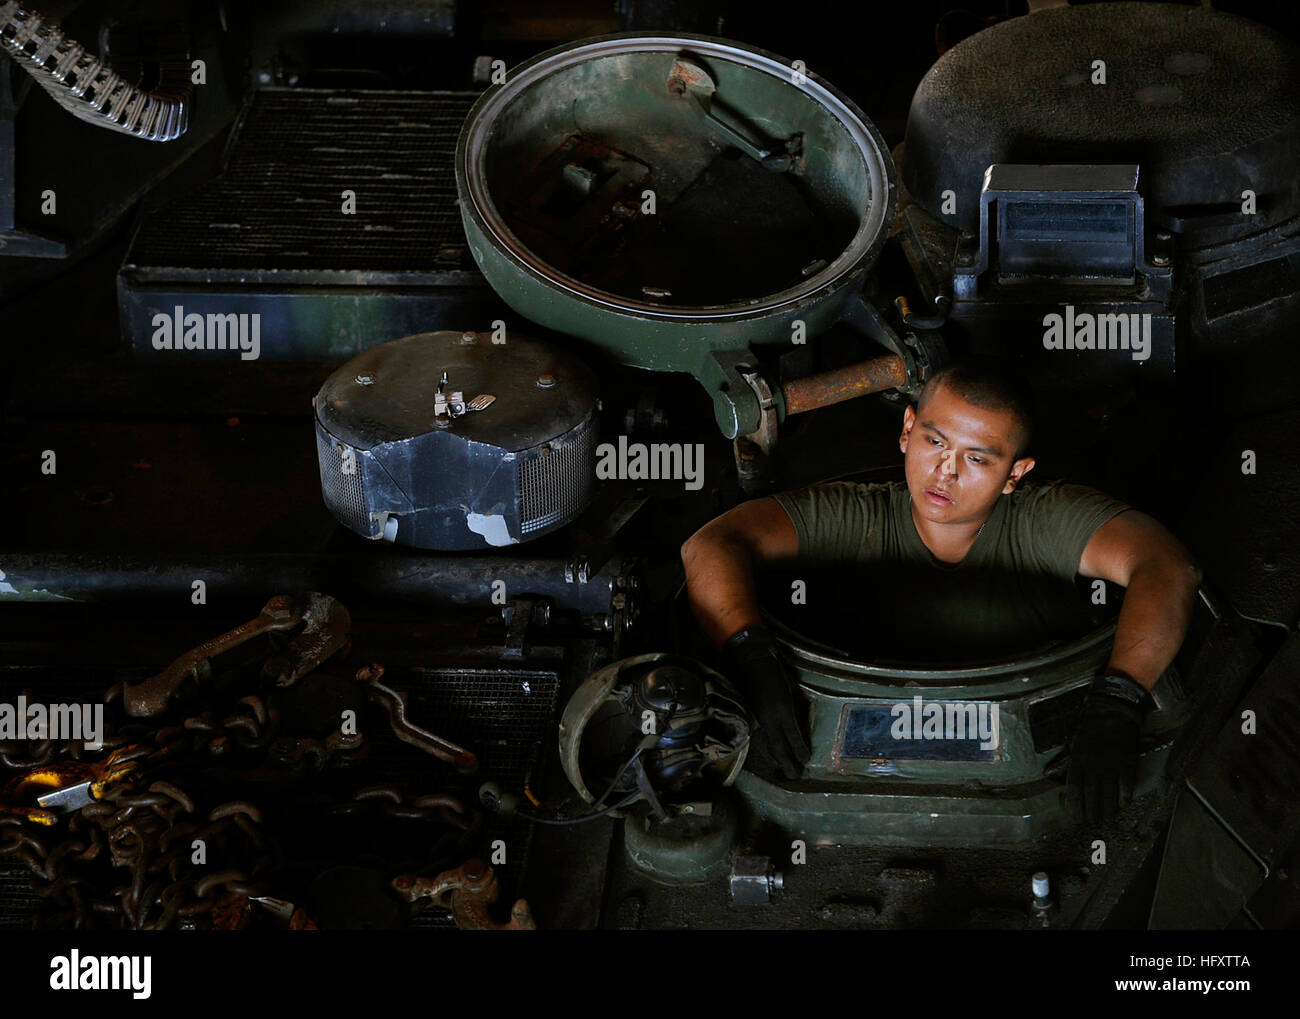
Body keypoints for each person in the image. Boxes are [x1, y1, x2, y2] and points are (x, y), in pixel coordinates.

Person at [680, 359, 1202, 823]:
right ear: (907, 430)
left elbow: (1167, 567)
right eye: (935, 441)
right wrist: (751, 655)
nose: (945, 473)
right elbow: (711, 544)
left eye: (978, 459)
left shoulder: (1047, 519)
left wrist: (1119, 698)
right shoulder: (854, 513)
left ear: (1014, 474)